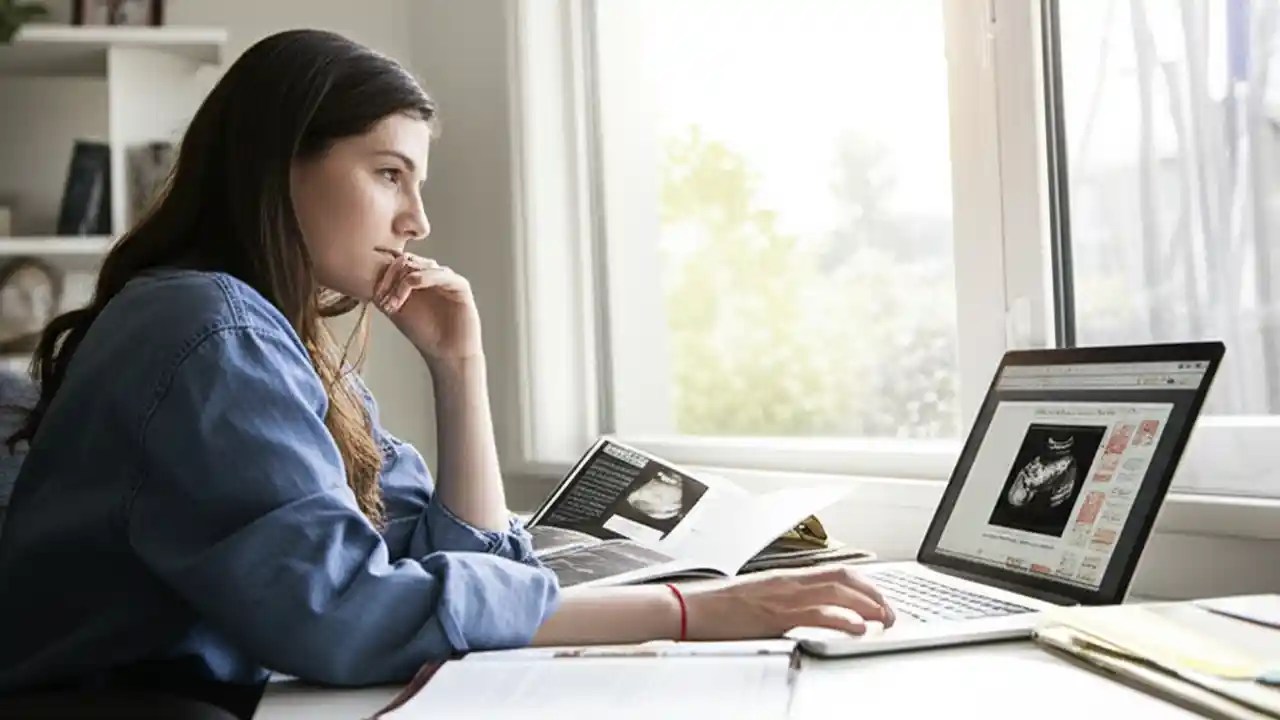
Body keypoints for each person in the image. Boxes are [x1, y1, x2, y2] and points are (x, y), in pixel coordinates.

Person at [0, 29, 893, 718]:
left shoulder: (277, 344)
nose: (417, 220)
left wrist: (458, 369)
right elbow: (347, 615)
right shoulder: (208, 331)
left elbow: (452, 559)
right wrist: (691, 612)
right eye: (390, 174)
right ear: (278, 167)